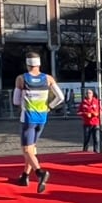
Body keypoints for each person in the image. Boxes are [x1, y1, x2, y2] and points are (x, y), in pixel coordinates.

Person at [12, 52, 64, 192]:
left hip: (28, 118)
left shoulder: (21, 79)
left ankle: (40, 172)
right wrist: (49, 107)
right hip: (42, 117)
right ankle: (24, 176)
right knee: (32, 148)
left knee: (26, 149)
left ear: (27, 64)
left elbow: (15, 101)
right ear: (39, 63)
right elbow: (60, 97)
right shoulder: (48, 78)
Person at [78, 88, 102, 152]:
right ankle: (85, 152)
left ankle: (96, 152)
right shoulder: (83, 102)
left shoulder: (97, 102)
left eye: (89, 93)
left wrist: (97, 114)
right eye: (87, 93)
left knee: (96, 140)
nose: (88, 94)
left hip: (96, 123)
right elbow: (79, 112)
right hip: (87, 124)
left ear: (92, 94)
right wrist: (85, 114)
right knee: (86, 140)